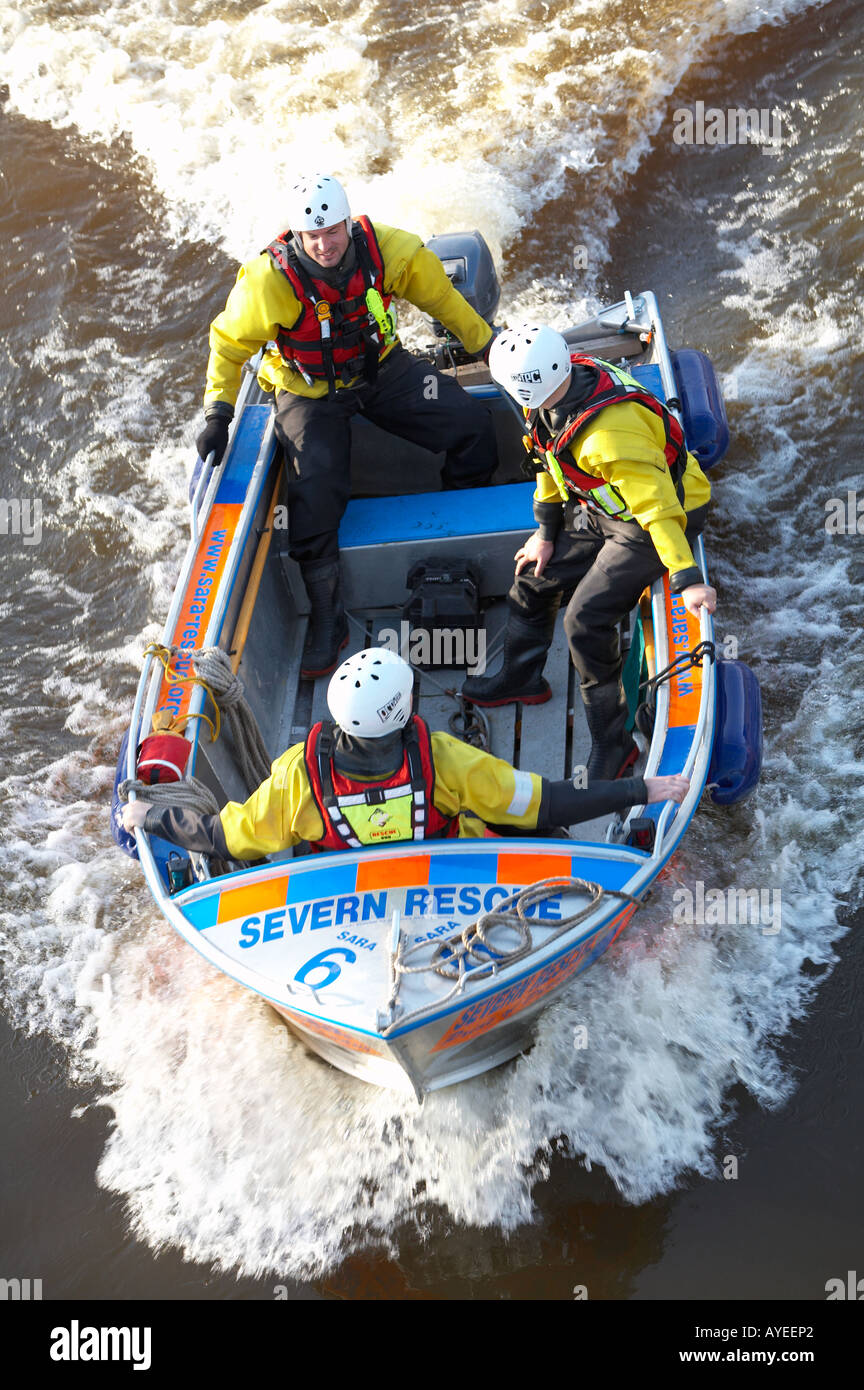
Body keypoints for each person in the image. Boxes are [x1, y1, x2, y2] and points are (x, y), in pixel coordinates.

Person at [195, 174, 499, 678]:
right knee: (312, 489)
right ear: (296, 237)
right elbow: (227, 347)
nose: (324, 244)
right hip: (308, 390)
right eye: (312, 236)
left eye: (332, 231)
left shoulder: (391, 250)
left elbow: (446, 303)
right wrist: (218, 413)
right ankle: (327, 617)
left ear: (347, 223)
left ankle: (454, 540)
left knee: (471, 424)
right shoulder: (269, 282)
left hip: (381, 370)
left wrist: (488, 345)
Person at [122, 649, 689, 858]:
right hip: (448, 876)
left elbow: (226, 837)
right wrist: (640, 789)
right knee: (551, 840)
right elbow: (543, 806)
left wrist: (150, 815)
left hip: (338, 897)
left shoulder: (299, 774)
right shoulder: (445, 759)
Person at [462, 325, 717, 781]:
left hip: (653, 522)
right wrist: (545, 532)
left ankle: (613, 744)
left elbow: (658, 510)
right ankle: (522, 678)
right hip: (602, 507)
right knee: (533, 577)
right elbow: (545, 459)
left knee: (584, 620)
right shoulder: (551, 395)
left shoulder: (609, 438)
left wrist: (687, 578)